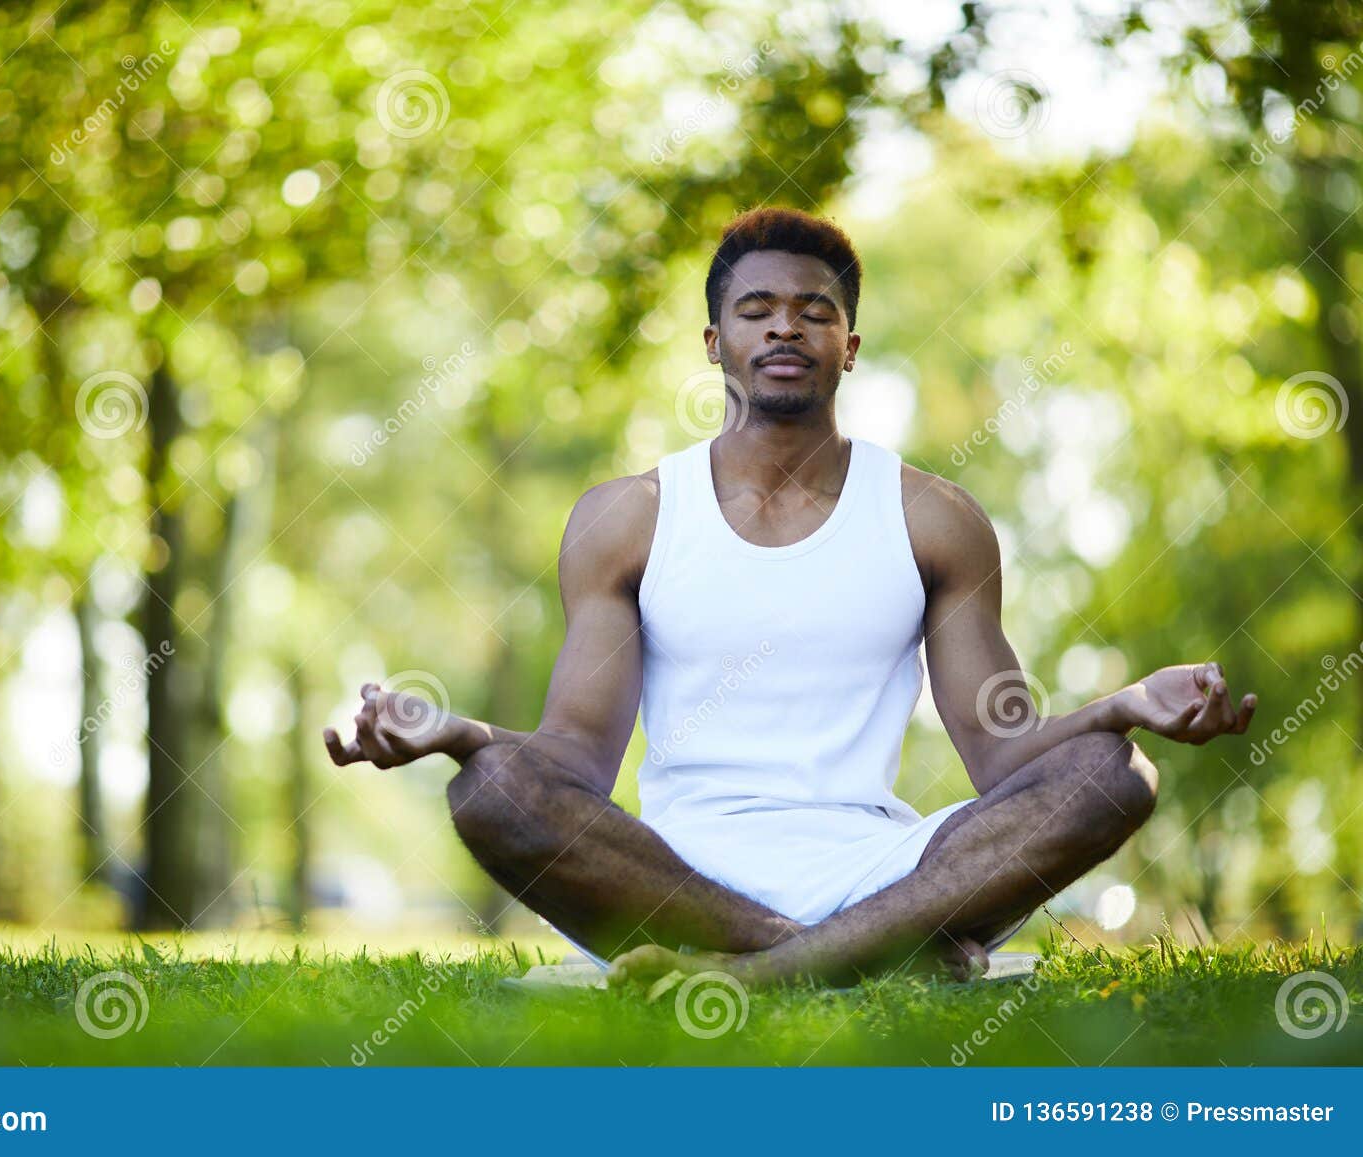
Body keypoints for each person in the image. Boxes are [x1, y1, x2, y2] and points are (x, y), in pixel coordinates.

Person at [323, 205, 1257, 988]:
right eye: (758, 309)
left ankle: (761, 973)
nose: (785, 328)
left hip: (884, 872)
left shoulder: (935, 518)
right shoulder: (627, 517)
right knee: (493, 788)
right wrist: (459, 734)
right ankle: (833, 961)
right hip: (675, 878)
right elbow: (573, 755)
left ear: (849, 347)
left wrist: (1127, 705)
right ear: (714, 341)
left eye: (814, 312)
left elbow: (1003, 753)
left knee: (1111, 775)